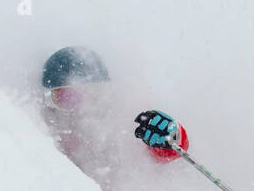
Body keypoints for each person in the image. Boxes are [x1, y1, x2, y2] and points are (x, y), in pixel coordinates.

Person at [39, 46, 188, 163]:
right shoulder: (45, 137)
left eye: (94, 94)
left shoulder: (119, 127)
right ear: (50, 103)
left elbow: (158, 162)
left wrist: (172, 140)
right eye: (69, 98)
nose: (83, 108)